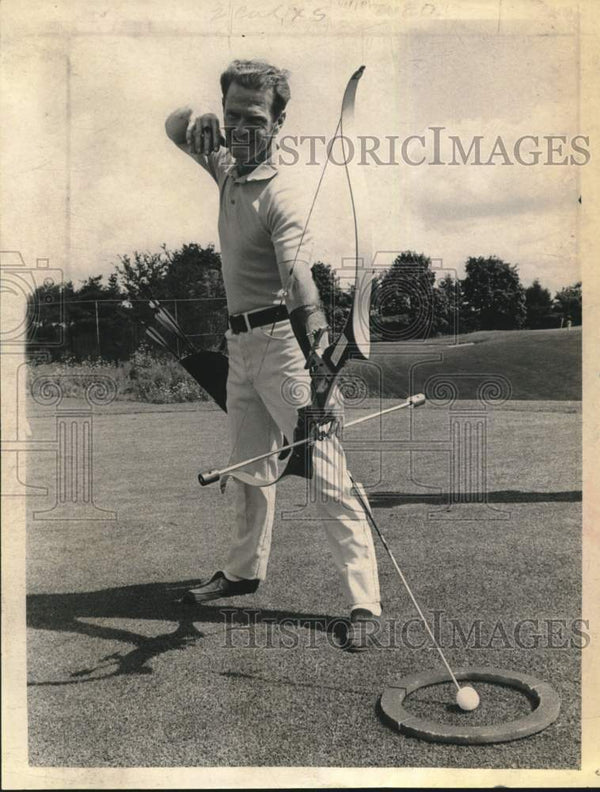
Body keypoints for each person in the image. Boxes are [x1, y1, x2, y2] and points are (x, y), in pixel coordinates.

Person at [165, 59, 381, 650]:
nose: (239, 128)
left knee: (327, 475)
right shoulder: (225, 165)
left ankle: (364, 602)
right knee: (248, 468)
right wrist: (197, 119)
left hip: (285, 349)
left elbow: (300, 282)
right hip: (239, 347)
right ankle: (241, 572)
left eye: (253, 119)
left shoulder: (281, 197)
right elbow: (172, 124)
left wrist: (319, 362)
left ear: (278, 122)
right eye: (231, 115)